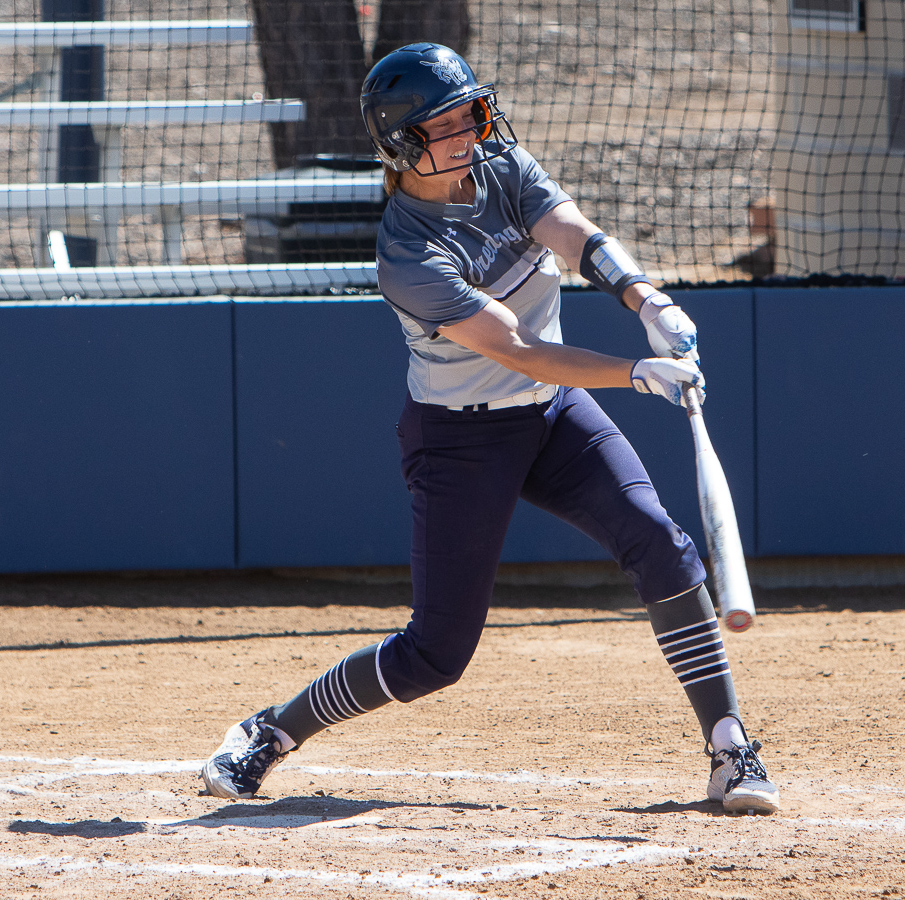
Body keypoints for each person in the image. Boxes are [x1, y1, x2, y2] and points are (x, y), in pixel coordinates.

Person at [201, 42, 778, 815]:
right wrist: (635, 372)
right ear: (403, 143)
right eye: (449, 122)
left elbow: (575, 236)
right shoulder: (409, 252)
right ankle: (272, 731)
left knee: (661, 543)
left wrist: (647, 301)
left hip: (551, 418)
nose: (473, 130)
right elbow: (522, 351)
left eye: (474, 111)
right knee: (433, 655)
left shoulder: (501, 170)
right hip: (459, 439)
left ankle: (730, 748)